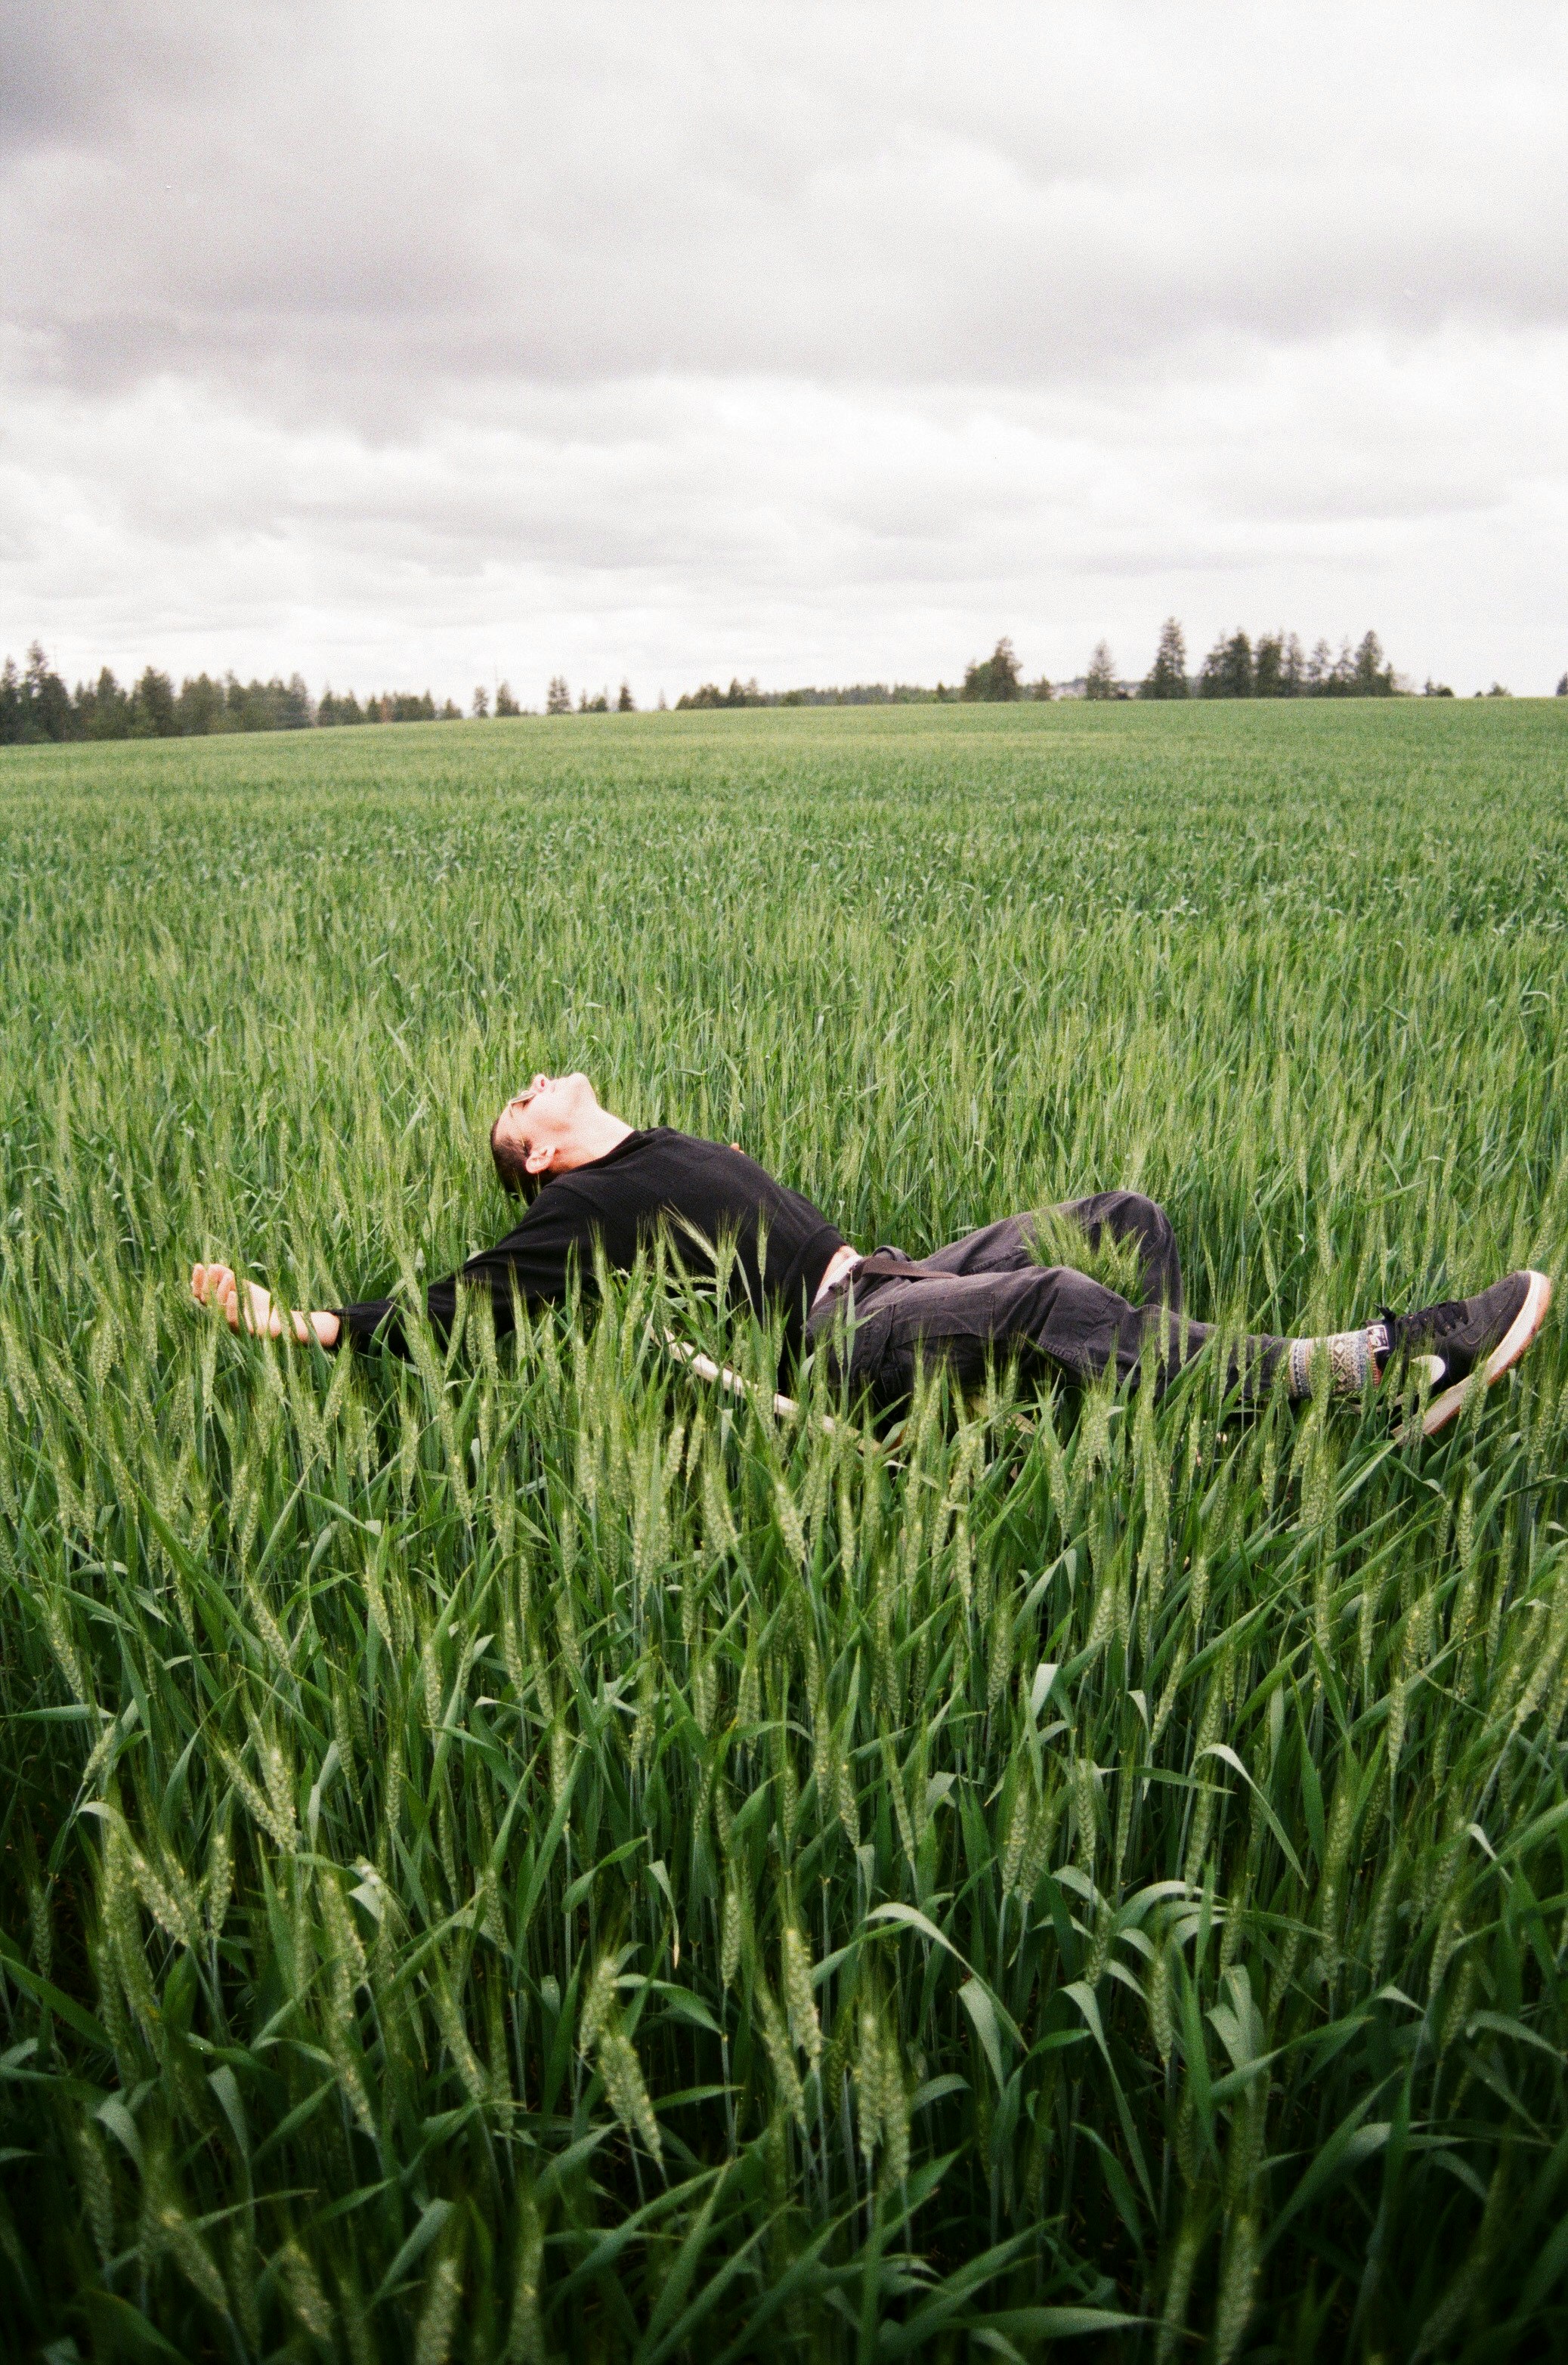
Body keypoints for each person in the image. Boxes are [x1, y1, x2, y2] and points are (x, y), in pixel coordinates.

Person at [192, 1069, 1551, 1439]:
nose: (537, 1080)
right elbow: (449, 1312)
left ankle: (1182, 1426)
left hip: (889, 1271)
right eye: (522, 1100)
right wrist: (277, 1316)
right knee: (1051, 1293)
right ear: (539, 1155)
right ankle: (1376, 1362)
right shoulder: (579, 1212)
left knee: (1124, 1219)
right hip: (844, 1343)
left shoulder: (646, 1145)